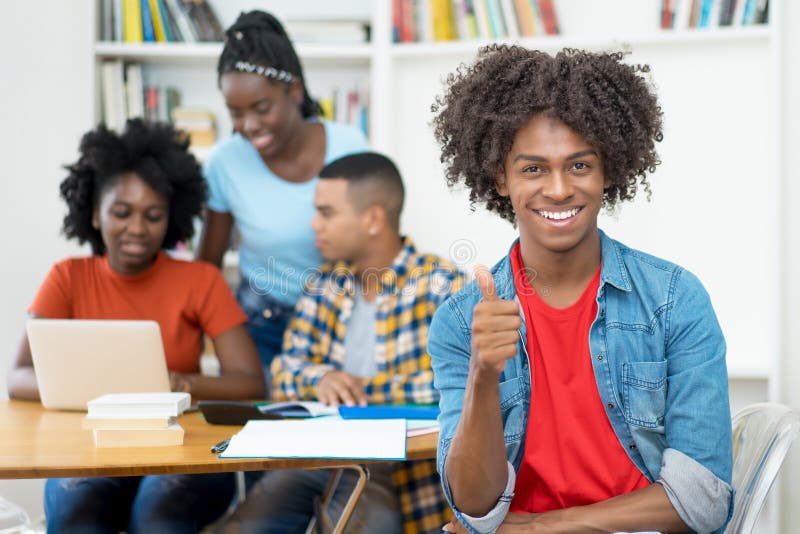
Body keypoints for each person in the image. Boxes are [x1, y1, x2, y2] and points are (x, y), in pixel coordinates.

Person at [428, 46, 733, 534]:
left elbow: (703, 499)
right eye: (532, 169)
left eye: (579, 166)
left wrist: (540, 527)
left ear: (608, 171)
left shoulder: (675, 300)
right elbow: (474, 507)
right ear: (499, 179)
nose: (558, 189)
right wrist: (483, 374)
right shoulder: (462, 321)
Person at [8, 119, 265, 533]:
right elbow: (19, 377)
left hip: (183, 453)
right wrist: (97, 388)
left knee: (157, 514)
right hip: (93, 449)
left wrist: (178, 383)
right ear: (94, 214)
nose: (137, 229)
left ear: (172, 218)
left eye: (153, 215)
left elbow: (251, 383)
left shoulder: (200, 280)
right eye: (121, 213)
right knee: (77, 506)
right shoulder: (67, 277)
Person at [219, 152, 466, 534]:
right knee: (241, 528)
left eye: (327, 213)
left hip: (402, 470)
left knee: (366, 524)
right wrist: (321, 379)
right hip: (323, 457)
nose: (314, 225)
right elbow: (285, 373)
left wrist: (358, 390)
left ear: (373, 219)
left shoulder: (445, 286)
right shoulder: (324, 285)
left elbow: (458, 388)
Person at [196, 10, 369, 383]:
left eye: (261, 109)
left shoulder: (349, 146)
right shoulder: (224, 163)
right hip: (262, 324)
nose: (248, 126)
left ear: (294, 90)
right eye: (235, 113)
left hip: (339, 319)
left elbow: (376, 242)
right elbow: (206, 271)